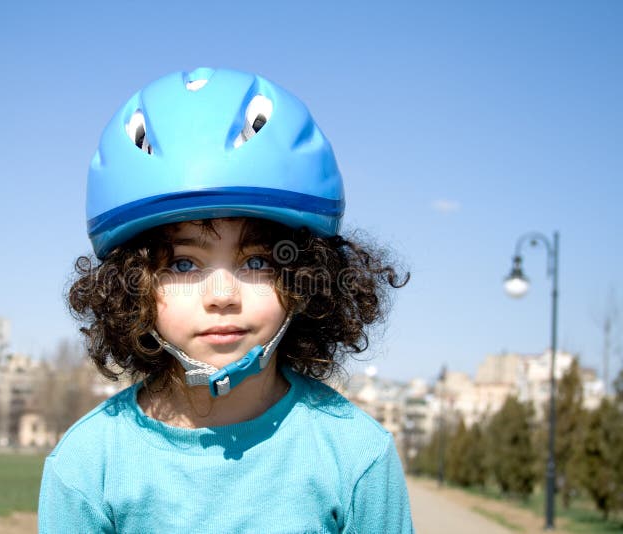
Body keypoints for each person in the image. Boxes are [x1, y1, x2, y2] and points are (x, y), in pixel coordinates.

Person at [38, 67, 414, 533]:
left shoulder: (356, 457)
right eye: (182, 264)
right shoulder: (86, 467)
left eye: (256, 262)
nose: (221, 296)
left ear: (306, 277)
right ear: (130, 285)